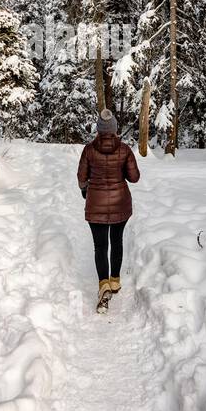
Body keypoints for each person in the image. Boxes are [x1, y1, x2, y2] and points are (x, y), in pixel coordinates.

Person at [77, 108, 140, 312]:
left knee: (100, 246)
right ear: (114, 129)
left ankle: (103, 283)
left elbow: (81, 176)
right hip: (120, 202)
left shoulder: (88, 150)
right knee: (117, 241)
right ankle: (115, 281)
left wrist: (85, 189)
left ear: (98, 129)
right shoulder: (124, 150)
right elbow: (134, 177)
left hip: (95, 203)